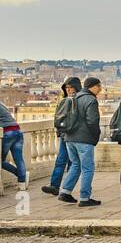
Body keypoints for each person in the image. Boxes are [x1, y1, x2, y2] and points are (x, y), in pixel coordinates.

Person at [58, 77, 102, 206]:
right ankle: (85, 198)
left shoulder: (73, 97)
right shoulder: (91, 100)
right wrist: (95, 137)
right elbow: (92, 121)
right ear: (92, 86)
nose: (100, 89)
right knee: (87, 168)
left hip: (69, 138)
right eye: (99, 86)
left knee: (76, 165)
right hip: (84, 139)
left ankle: (65, 192)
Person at [42, 76, 81, 195]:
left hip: (75, 135)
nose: (68, 90)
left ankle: (67, 187)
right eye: (67, 88)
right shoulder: (65, 100)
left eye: (71, 87)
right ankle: (55, 186)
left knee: (72, 162)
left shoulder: (79, 100)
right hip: (65, 135)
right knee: (61, 160)